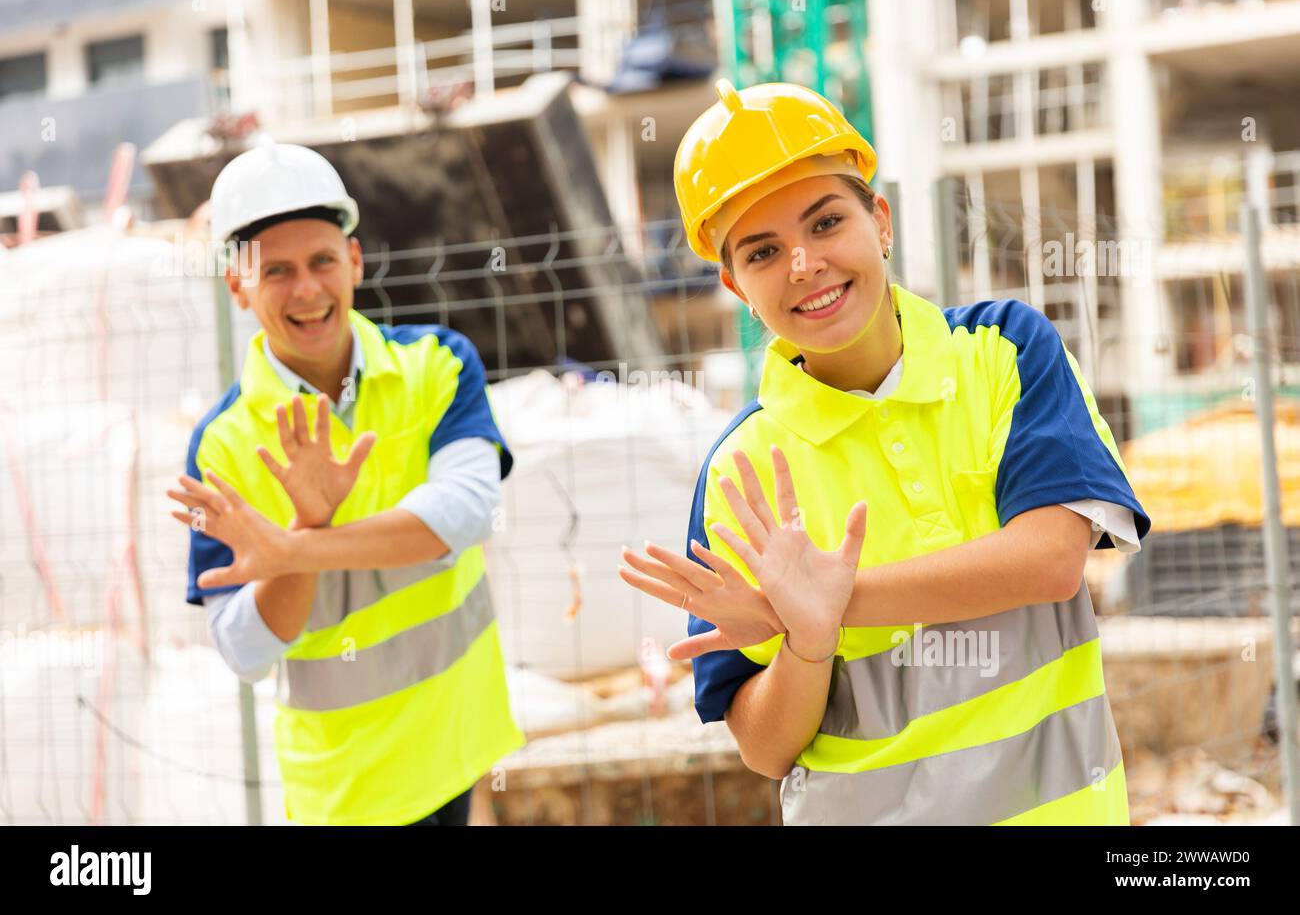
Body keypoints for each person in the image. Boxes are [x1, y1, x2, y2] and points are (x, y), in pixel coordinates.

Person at [619, 80, 1151, 825]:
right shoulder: (741, 468)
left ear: (881, 220)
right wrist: (804, 642)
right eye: (764, 251)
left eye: (826, 222)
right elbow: (766, 749)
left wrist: (814, 605)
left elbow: (1049, 561)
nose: (803, 264)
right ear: (737, 286)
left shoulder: (1004, 351)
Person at [167, 142, 522, 826]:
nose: (306, 290)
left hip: (458, 748)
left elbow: (468, 511)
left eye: (322, 261)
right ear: (236, 287)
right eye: (276, 272)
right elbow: (241, 649)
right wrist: (306, 526)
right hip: (345, 793)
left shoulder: (438, 365)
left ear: (354, 261)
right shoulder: (221, 446)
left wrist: (296, 548)